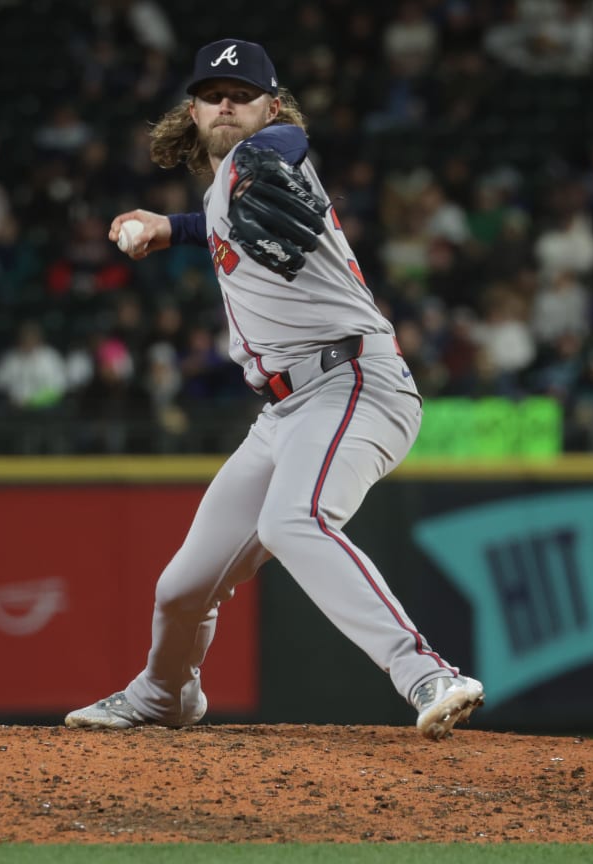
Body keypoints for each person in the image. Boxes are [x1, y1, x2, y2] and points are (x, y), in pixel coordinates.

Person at [64, 39, 483, 740]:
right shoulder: (227, 184)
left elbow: (284, 146)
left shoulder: (274, 156)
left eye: (241, 94)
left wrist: (263, 152)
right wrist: (168, 228)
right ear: (193, 111)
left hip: (355, 382)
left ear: (272, 105)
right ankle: (163, 695)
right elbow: (218, 219)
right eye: (211, 94)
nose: (225, 104)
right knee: (181, 587)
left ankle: (425, 673)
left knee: (295, 521)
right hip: (287, 408)